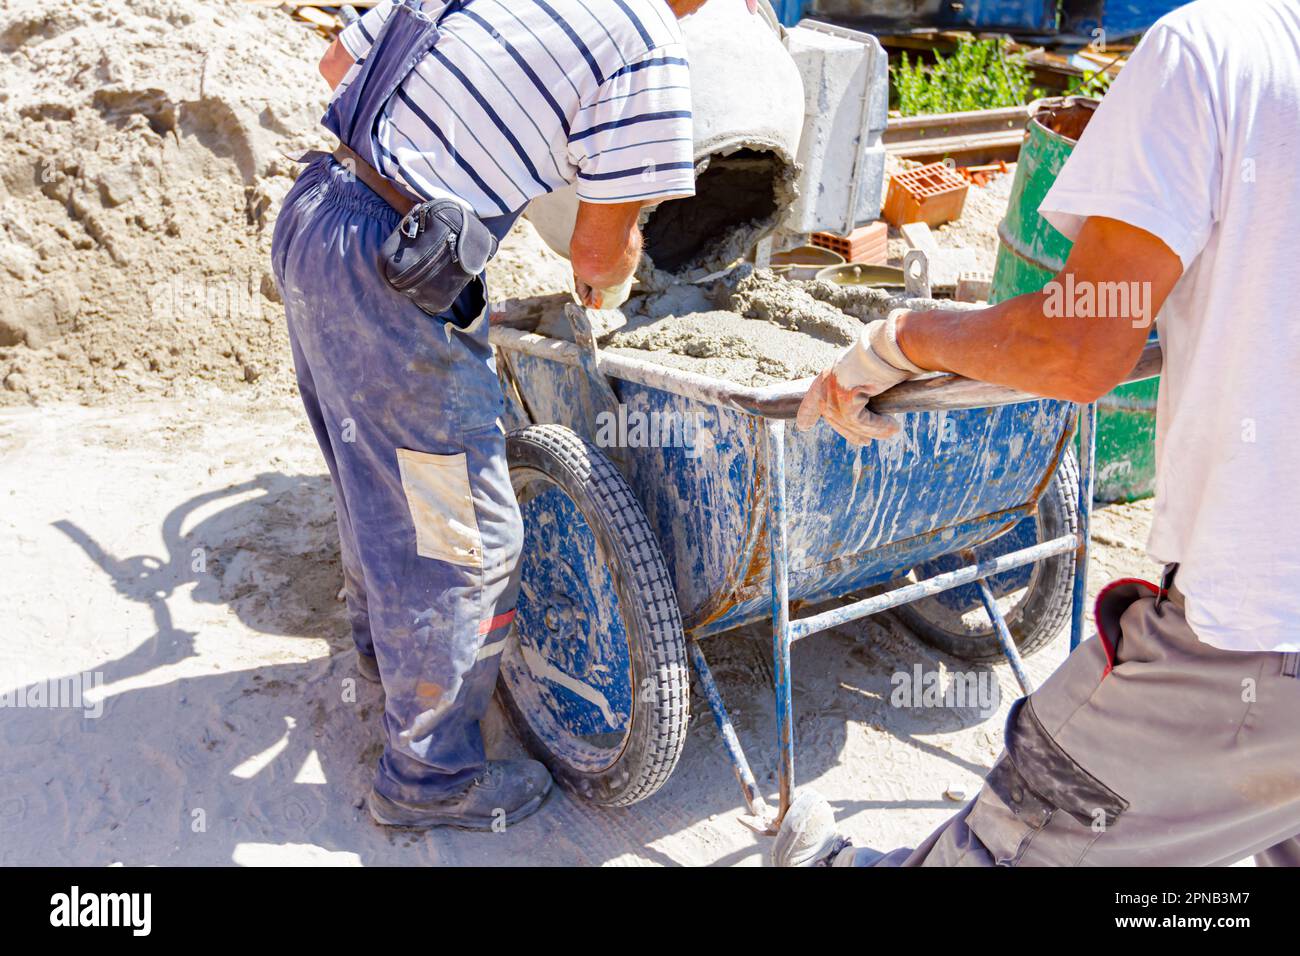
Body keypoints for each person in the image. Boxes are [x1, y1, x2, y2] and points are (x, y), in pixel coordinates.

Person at [778, 0, 1300, 866]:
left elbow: (1081, 342)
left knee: (1024, 841)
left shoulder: (1217, 52)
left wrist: (905, 337)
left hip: (1258, 636)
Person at [271, 0, 752, 830]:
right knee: (466, 536)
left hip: (318, 215)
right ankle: (429, 777)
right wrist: (618, 270)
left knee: (373, 469)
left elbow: (335, 70)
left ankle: (387, 662)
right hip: (392, 267)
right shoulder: (649, 44)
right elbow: (598, 255)